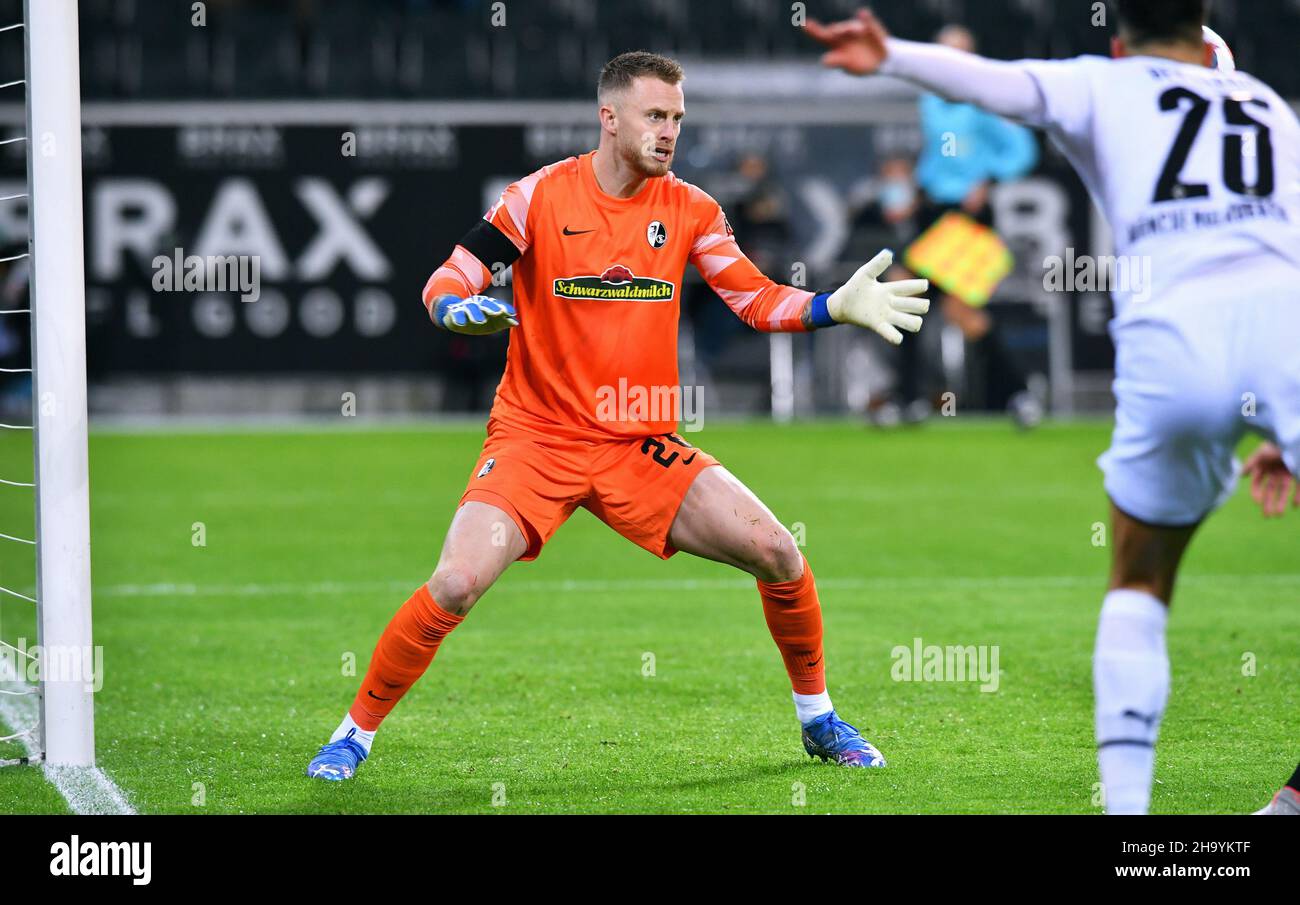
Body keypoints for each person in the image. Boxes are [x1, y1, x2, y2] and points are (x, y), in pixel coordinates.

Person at [305, 51, 931, 781]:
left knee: (781, 554)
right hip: (537, 438)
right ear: (610, 117)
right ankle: (354, 733)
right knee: (455, 582)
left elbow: (754, 299)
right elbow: (452, 272)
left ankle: (819, 719)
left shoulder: (691, 209)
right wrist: (454, 305)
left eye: (677, 119)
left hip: (639, 440)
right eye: (655, 116)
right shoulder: (538, 198)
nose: (669, 132)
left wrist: (831, 306)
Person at [807, 1, 1300, 814]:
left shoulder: (1100, 83)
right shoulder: (1269, 108)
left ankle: (1130, 825)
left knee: (1139, 578)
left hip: (1173, 338)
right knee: (957, 307)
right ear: (1213, 50)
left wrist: (890, 51)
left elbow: (997, 84)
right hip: (1284, 328)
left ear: (1118, 40)